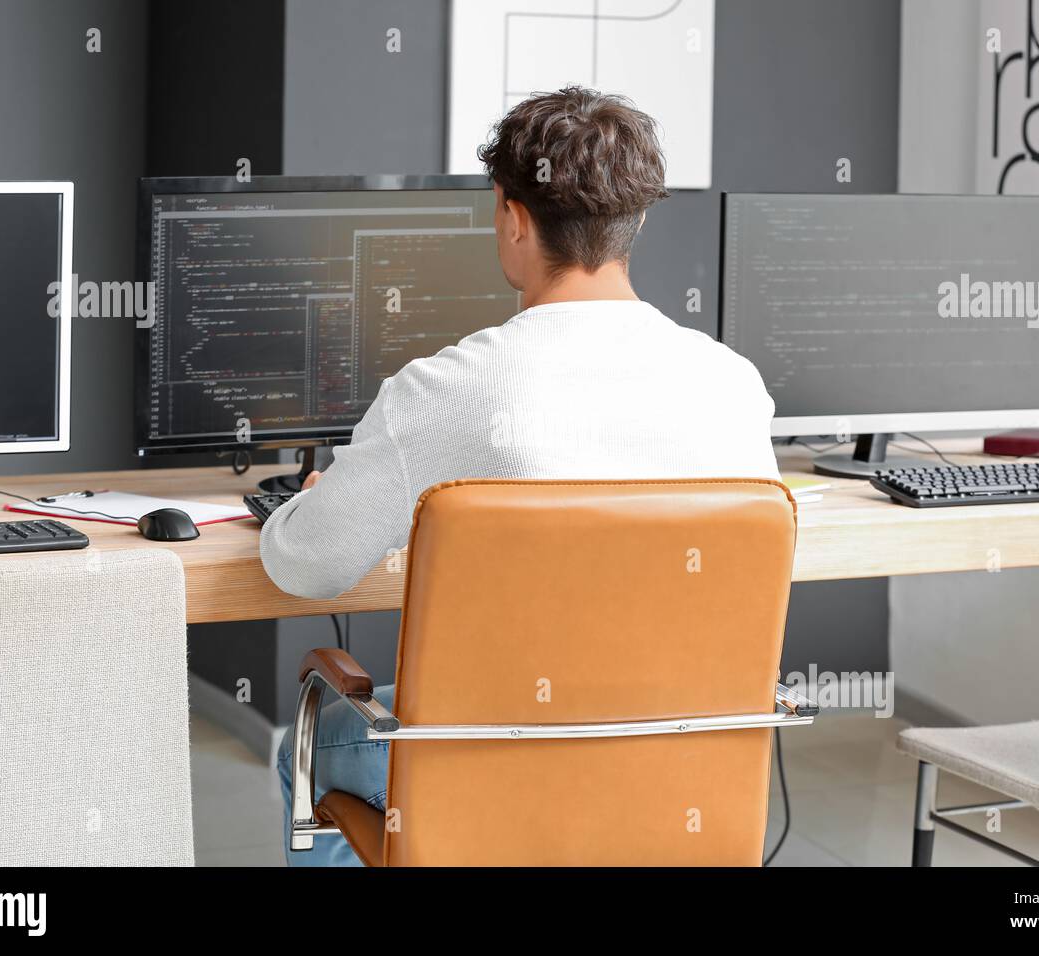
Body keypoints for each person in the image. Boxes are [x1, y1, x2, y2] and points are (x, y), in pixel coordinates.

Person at [263, 86, 779, 865]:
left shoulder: (446, 389)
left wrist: (311, 507)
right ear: (632, 224)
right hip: (680, 753)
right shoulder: (733, 385)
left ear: (511, 217)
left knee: (302, 743)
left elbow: (307, 567)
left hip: (495, 749)